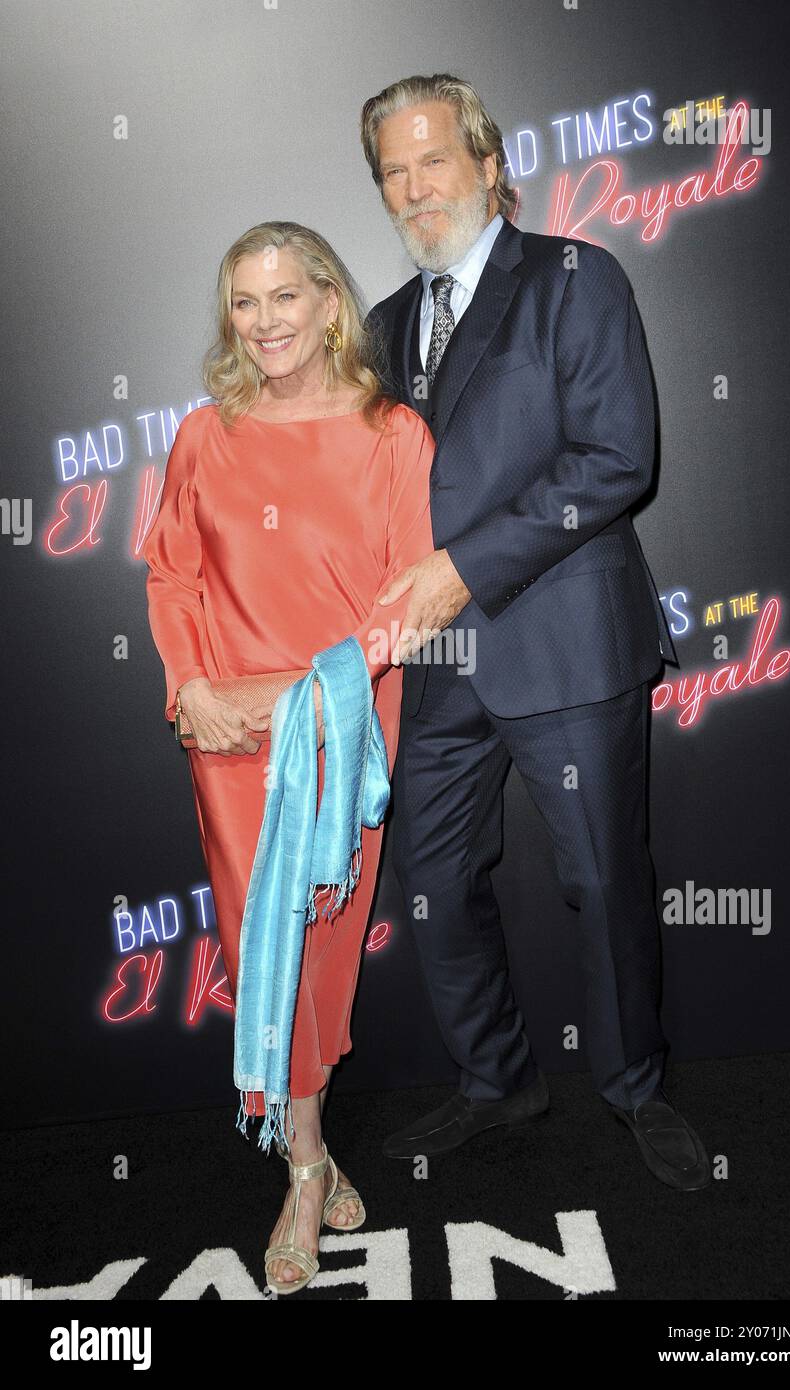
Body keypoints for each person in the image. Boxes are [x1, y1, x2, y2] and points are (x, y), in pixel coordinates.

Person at [358, 73, 711, 1190]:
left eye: (433, 161)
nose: (415, 189)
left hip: (562, 646)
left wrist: (463, 569)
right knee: (435, 881)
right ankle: (496, 1079)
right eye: (392, 172)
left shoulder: (576, 277)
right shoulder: (382, 324)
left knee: (605, 880)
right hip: (435, 673)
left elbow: (616, 459)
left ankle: (635, 1088)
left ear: (490, 163)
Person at [142, 220, 434, 1289]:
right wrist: (190, 686)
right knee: (261, 937)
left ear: (327, 302)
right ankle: (305, 1164)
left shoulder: (392, 433)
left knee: (324, 939)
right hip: (228, 739)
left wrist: (299, 693)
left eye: (283, 298)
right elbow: (171, 577)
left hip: (337, 732)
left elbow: (408, 603)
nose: (264, 323)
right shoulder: (203, 436)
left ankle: (306, 1143)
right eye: (244, 303)